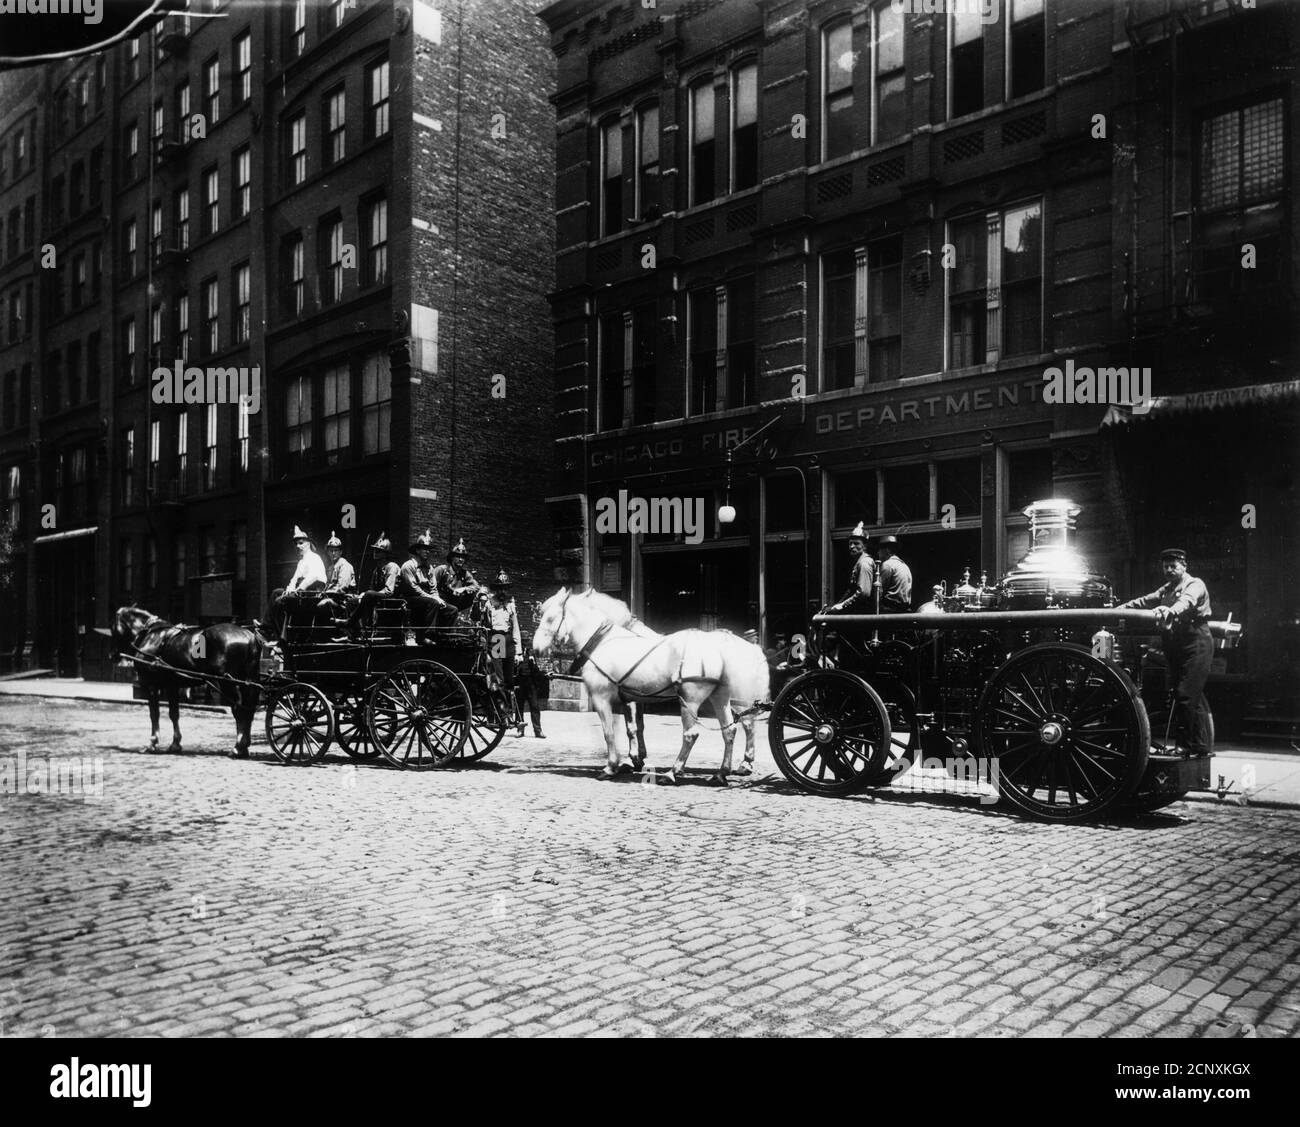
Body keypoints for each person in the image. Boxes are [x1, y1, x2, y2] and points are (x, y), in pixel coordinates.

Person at [1120, 548, 1213, 756]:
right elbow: (1145, 601)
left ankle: (1186, 746)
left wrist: (1171, 611)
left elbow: (1186, 601)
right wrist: (1118, 610)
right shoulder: (1167, 588)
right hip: (1176, 643)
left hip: (1195, 642)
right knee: (1188, 696)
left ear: (1184, 566)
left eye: (1174, 566)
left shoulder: (1194, 584)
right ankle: (1200, 746)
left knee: (1186, 694)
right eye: (1166, 566)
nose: (1169, 570)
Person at [480, 569, 525, 736]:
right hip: (497, 639)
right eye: (500, 588)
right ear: (495, 589)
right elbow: (484, 626)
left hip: (508, 641)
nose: (502, 591)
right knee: (498, 679)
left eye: (505, 588)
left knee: (509, 680)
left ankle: (511, 714)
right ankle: (502, 714)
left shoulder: (511, 605)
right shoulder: (489, 604)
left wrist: (519, 652)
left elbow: (516, 629)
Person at [270, 525, 327, 640]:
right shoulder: (301, 562)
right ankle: (267, 627)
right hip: (301, 592)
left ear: (308, 543)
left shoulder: (314, 557)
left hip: (312, 592)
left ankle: (281, 637)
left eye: (301, 543)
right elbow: (294, 579)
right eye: (296, 544)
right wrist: (289, 589)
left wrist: (298, 589)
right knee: (276, 593)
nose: (298, 546)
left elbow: (313, 576)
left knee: (279, 601)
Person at [342, 534, 401, 641]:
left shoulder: (391, 567)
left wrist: (368, 594)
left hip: (391, 600)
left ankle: (350, 622)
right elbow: (372, 588)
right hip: (376, 597)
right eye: (374, 550)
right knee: (352, 600)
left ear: (385, 554)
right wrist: (362, 595)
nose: (375, 553)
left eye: (378, 551)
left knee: (368, 594)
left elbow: (389, 590)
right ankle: (355, 634)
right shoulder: (377, 569)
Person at [398, 529, 448, 643]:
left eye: (428, 549)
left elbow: (433, 587)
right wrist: (432, 598)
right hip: (410, 598)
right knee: (433, 603)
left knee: (451, 609)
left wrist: (437, 597)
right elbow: (414, 588)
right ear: (417, 550)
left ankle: (445, 637)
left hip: (425, 598)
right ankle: (428, 636)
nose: (427, 552)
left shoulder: (429, 567)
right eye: (424, 549)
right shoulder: (408, 566)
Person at [432, 537, 483, 628]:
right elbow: (431, 585)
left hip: (453, 605)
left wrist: (463, 589)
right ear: (452, 558)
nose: (460, 559)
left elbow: (476, 586)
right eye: (458, 556)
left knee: (473, 598)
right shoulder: (442, 570)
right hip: (438, 603)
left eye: (463, 557)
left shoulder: (464, 574)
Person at [825, 522, 874, 614]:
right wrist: (836, 606)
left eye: (856, 544)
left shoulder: (864, 563)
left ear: (865, 547)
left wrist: (842, 605)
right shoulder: (859, 562)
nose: (852, 547)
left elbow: (863, 593)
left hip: (864, 614)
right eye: (850, 544)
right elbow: (851, 590)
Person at [316, 531, 357, 628]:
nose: (333, 553)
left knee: (324, 603)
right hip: (333, 599)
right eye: (331, 550)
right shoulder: (330, 568)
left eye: (336, 550)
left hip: (344, 602)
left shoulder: (345, 566)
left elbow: (341, 589)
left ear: (341, 552)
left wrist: (325, 594)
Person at [515, 651, 550, 738]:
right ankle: (520, 730)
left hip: (531, 683)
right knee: (519, 708)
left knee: (535, 706)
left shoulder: (532, 653)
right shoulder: (516, 653)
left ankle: (538, 731)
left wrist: (544, 674)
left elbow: (537, 669)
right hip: (520, 682)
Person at [876, 535, 913, 613]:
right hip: (905, 610)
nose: (878, 552)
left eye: (879, 549)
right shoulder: (904, 565)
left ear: (887, 550)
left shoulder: (887, 565)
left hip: (891, 610)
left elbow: (879, 591)